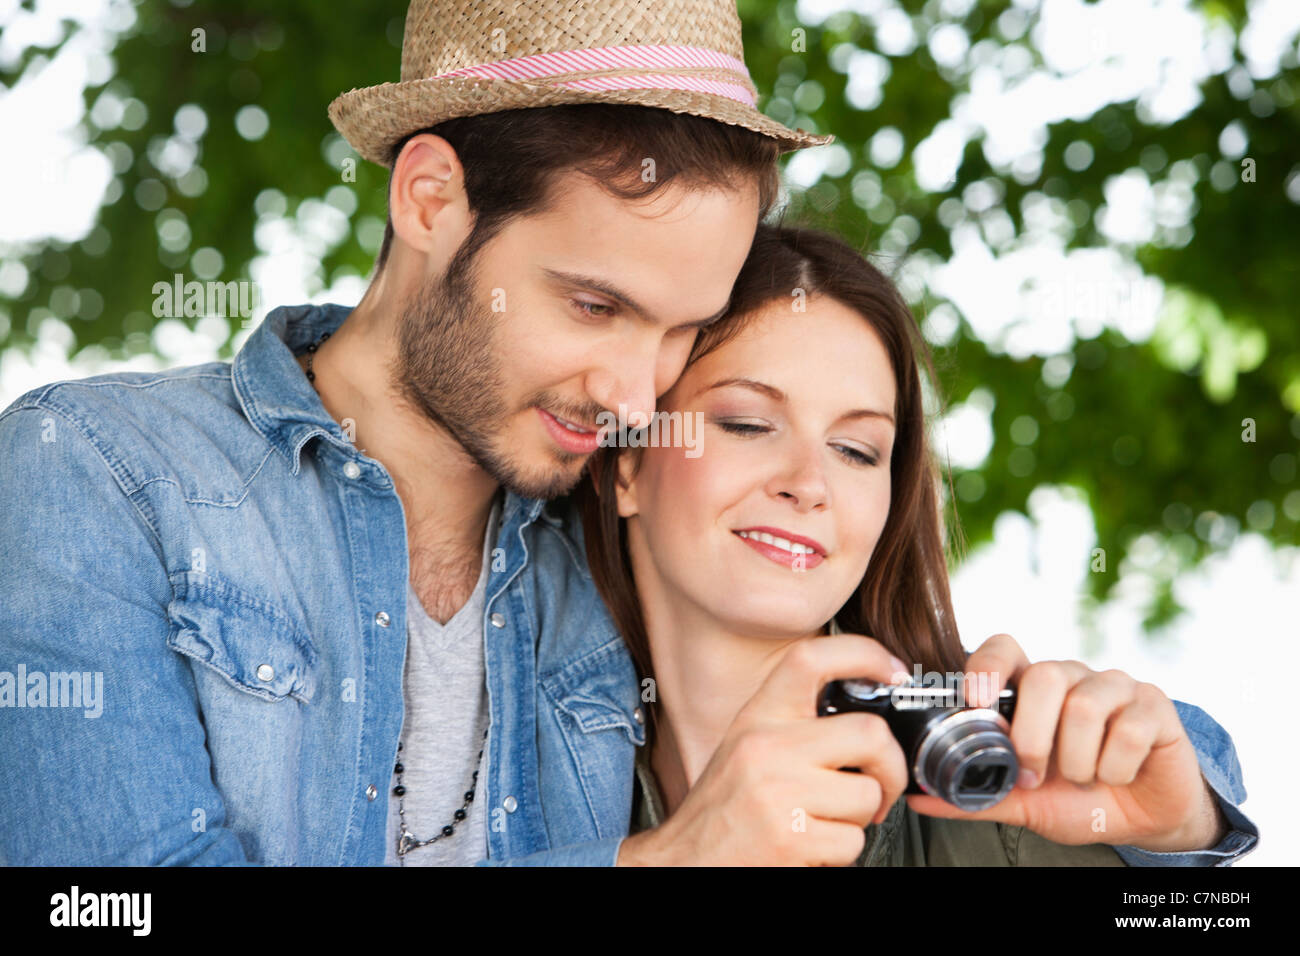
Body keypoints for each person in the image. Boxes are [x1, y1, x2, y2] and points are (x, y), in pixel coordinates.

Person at [0, 0, 832, 865]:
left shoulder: (626, 542)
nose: (633, 396)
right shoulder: (94, 471)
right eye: (593, 305)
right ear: (430, 200)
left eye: (682, 331)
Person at [579, 223, 1260, 866]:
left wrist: (1180, 839)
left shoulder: (1000, 802)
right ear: (629, 465)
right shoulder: (522, 797)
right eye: (749, 423)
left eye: (855, 450)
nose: (809, 484)